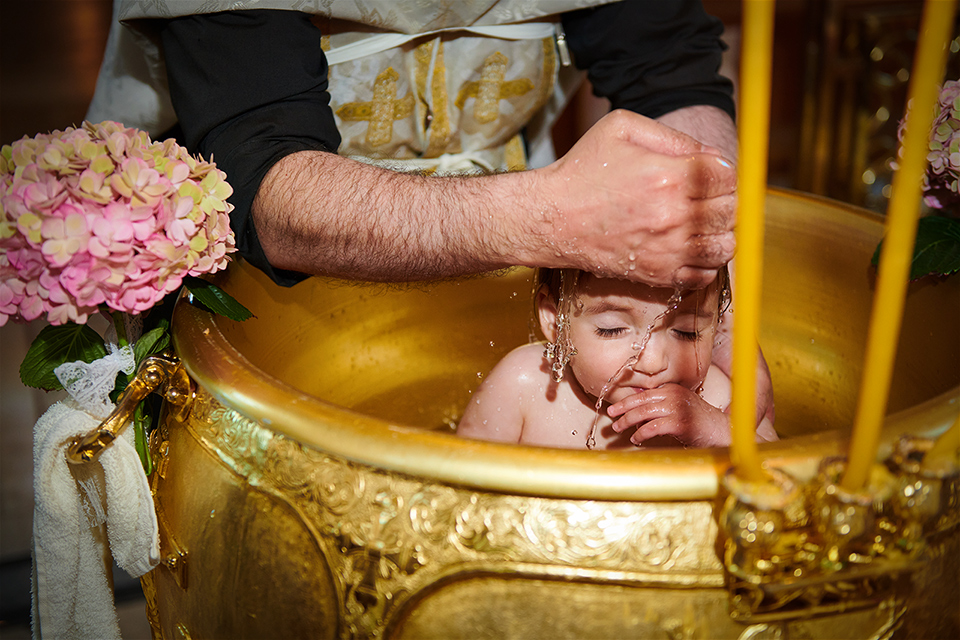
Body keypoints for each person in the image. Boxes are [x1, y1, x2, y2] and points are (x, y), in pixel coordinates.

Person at [86, 0, 771, 416]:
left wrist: (712, 299)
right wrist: (553, 220)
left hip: (523, 227)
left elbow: (669, 75)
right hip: (286, 295)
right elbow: (268, 185)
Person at [457, 267, 779, 449]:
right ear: (556, 320)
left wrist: (720, 434)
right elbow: (456, 480)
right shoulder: (524, 387)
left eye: (687, 332)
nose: (653, 362)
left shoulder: (718, 397)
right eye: (612, 330)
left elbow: (787, 480)